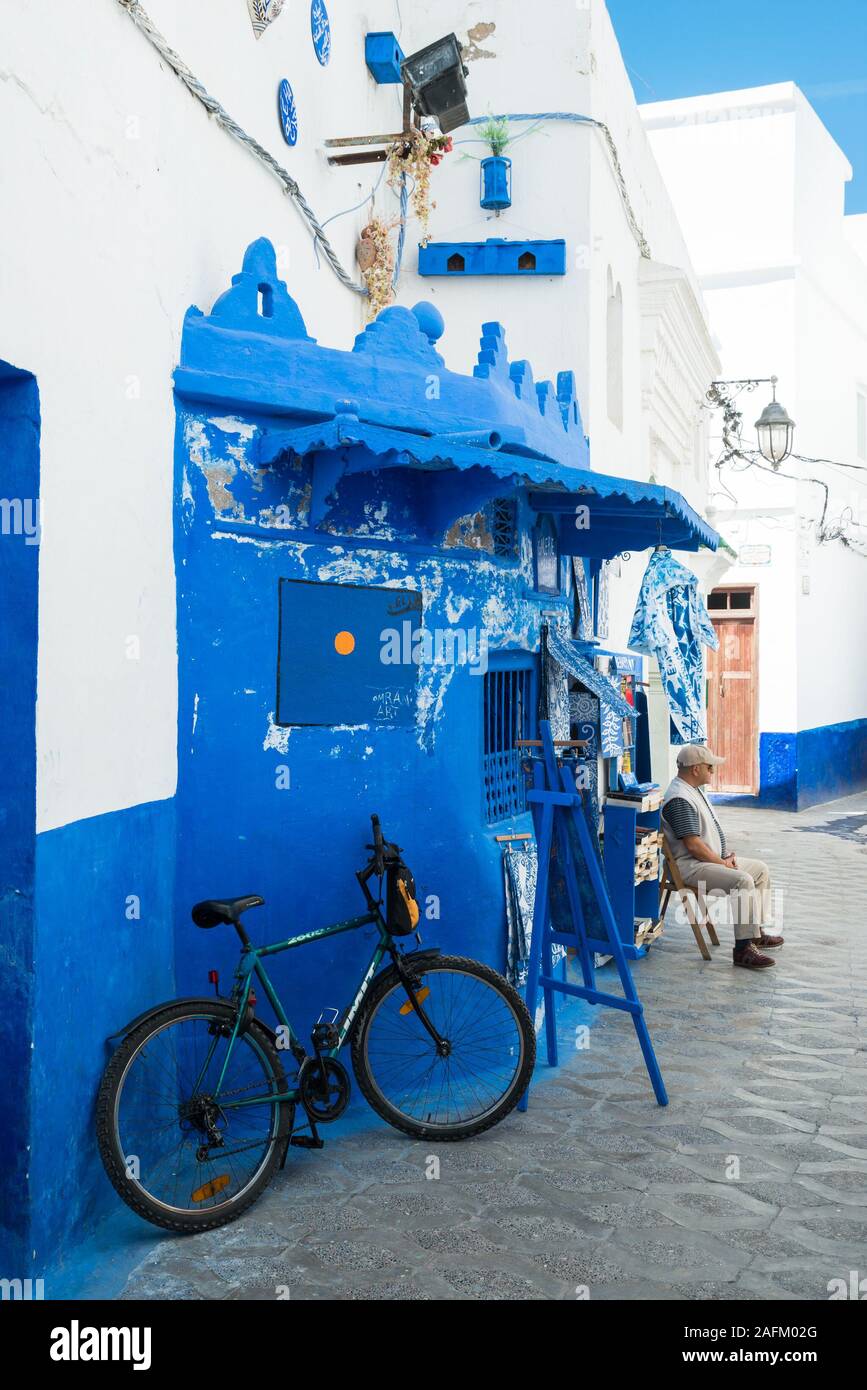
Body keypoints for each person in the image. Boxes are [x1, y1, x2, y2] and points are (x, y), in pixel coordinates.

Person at [661, 745, 783, 969]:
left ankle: (755, 932)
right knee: (742, 880)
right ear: (696, 769)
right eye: (710, 767)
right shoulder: (679, 797)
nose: (713, 771)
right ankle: (743, 949)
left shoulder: (692, 789)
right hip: (690, 866)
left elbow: (705, 837)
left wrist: (725, 856)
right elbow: (694, 846)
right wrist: (724, 863)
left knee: (760, 870)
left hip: (709, 860)